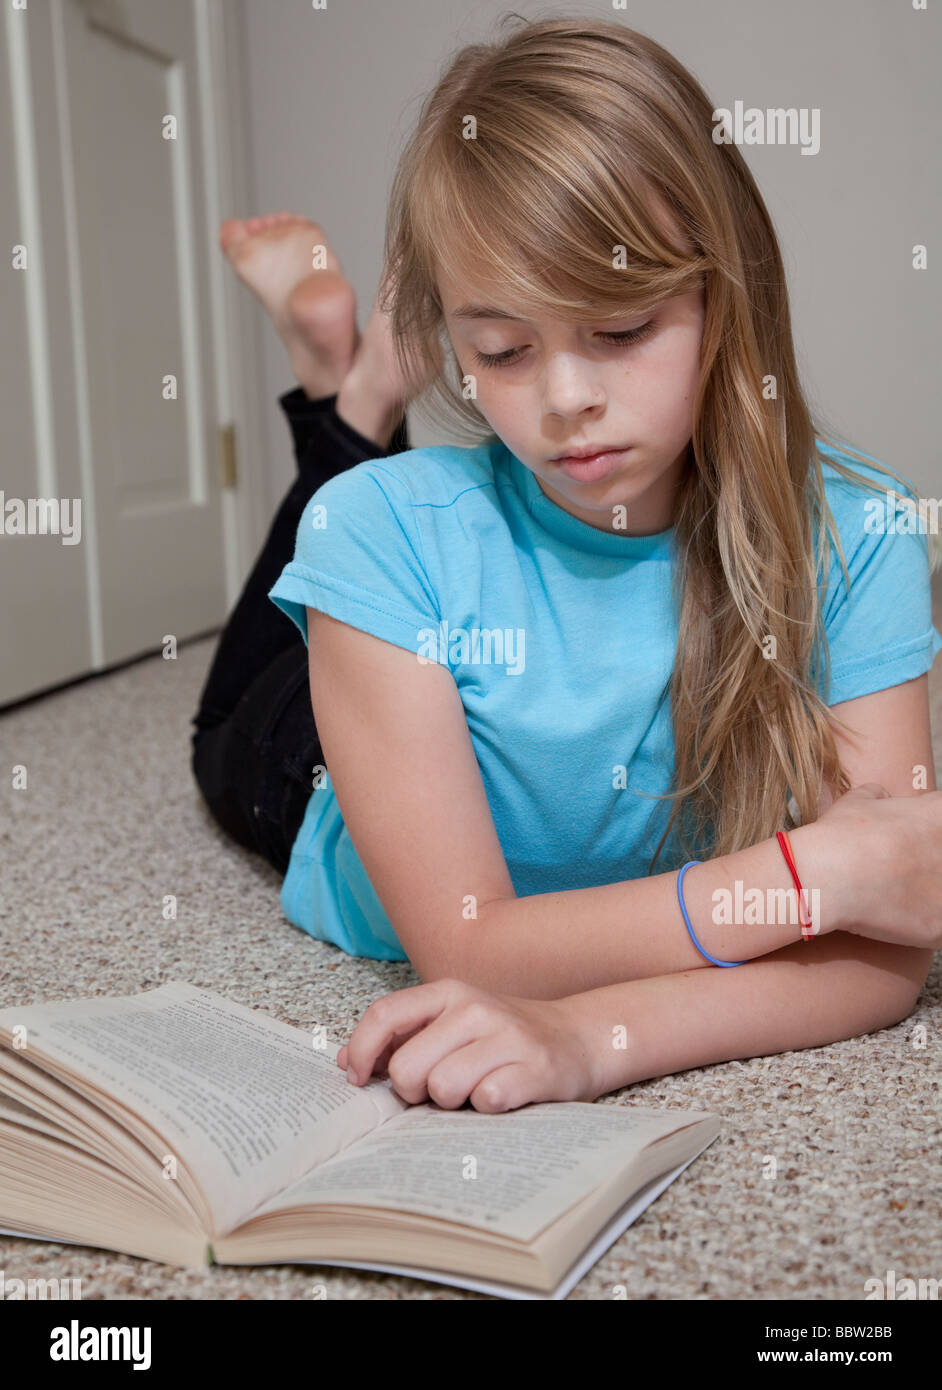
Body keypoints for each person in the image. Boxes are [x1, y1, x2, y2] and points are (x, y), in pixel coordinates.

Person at [192, 18, 942, 1112]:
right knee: (230, 701)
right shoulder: (383, 535)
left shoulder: (861, 531)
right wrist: (795, 881)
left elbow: (889, 936)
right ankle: (350, 400)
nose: (562, 401)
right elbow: (468, 948)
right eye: (500, 350)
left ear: (723, 295)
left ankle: (349, 386)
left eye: (622, 326)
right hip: (308, 764)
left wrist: (589, 1037)